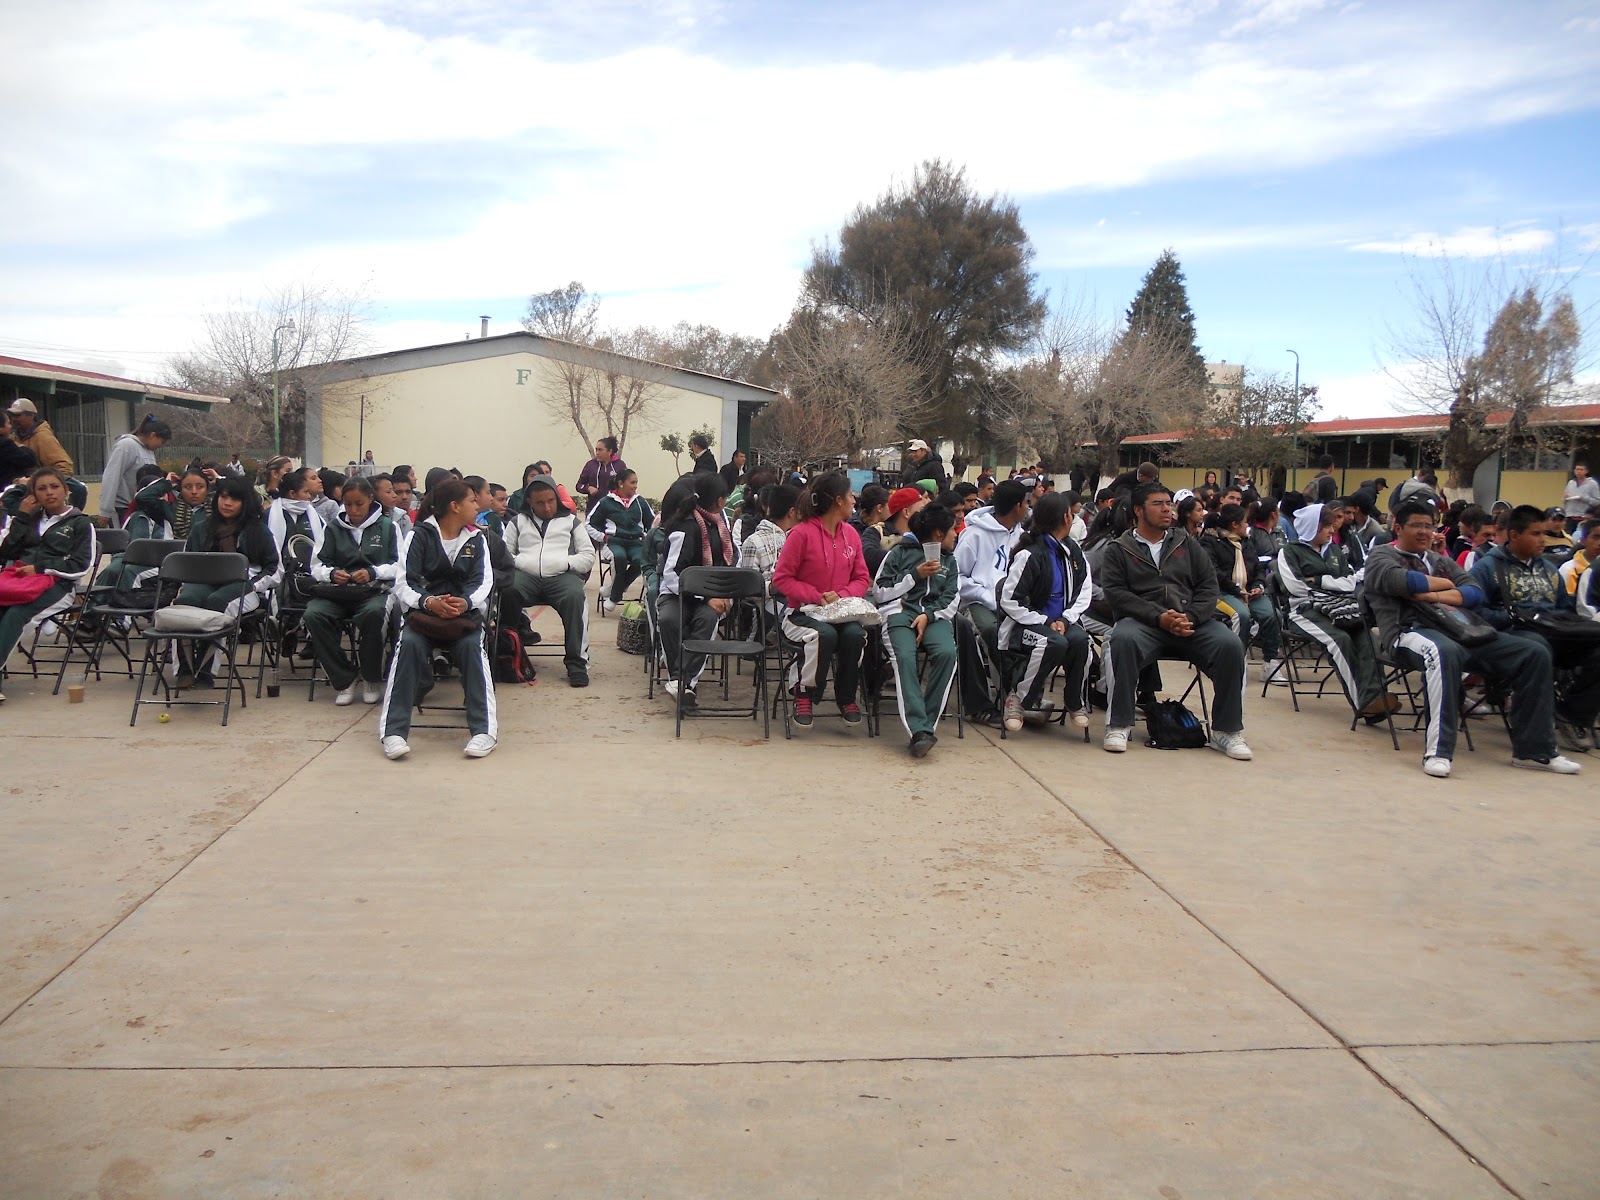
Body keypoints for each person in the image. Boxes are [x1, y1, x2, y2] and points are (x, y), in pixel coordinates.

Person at [1365, 500, 1580, 778]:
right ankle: (1438, 752)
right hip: (1407, 633)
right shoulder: (1381, 556)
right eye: (1416, 525)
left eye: (1429, 525)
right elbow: (1404, 583)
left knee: (1533, 652)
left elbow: (1475, 592)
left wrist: (1433, 594)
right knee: (1442, 652)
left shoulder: (1439, 560)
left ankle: (1535, 751)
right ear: (1397, 527)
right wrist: (1449, 585)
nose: (1424, 531)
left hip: (1460, 630)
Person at [1099, 482, 1251, 760]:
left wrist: (1190, 617)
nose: (1167, 509)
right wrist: (1159, 617)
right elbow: (1117, 594)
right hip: (1144, 623)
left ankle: (1226, 731)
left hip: (1190, 622)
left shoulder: (1186, 543)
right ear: (1138, 510)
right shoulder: (1119, 549)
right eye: (1158, 504)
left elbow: (1208, 587)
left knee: (1230, 645)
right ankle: (1119, 724)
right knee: (1122, 639)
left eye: (1169, 503)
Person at [378, 477, 496, 760]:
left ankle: (484, 732)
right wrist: (429, 602)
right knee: (408, 646)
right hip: (423, 618)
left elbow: (484, 582)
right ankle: (393, 732)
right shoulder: (418, 536)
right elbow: (404, 582)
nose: (476, 504)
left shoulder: (477, 538)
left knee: (472, 650)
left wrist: (464, 602)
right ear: (455, 506)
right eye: (471, 500)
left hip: (462, 619)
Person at [1470, 505, 1600, 753]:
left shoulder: (1549, 569)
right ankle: (1532, 738)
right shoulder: (1487, 568)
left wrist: (1560, 623)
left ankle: (1571, 714)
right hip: (1512, 636)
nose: (1543, 540)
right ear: (1514, 535)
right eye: (1536, 534)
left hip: (1553, 634)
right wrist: (1513, 617)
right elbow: (1475, 613)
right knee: (1536, 647)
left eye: (1543, 533)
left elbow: (1564, 608)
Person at [772, 472, 872, 729]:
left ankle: (846, 697)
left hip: (840, 611)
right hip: (801, 613)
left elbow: (862, 579)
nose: (854, 501)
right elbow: (781, 580)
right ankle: (804, 692)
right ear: (838, 501)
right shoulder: (801, 534)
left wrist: (842, 595)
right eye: (851, 495)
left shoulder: (851, 535)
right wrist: (816, 596)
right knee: (823, 636)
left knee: (853, 634)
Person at [1276, 502, 1391, 721]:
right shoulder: (1289, 552)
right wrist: (1334, 582)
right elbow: (1296, 587)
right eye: (1326, 526)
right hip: (1304, 610)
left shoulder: (1334, 550)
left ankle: (1378, 697)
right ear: (1312, 527)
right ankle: (1364, 704)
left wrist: (1319, 580)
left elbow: (1352, 580)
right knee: (1339, 640)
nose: (1332, 530)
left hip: (1340, 608)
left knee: (1367, 637)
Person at [996, 491, 1092, 732]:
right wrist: (1046, 620)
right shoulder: (1030, 553)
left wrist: (1065, 619)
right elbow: (1009, 600)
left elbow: (1084, 590)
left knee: (1081, 641)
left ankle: (1074, 702)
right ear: (1066, 518)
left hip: (1063, 624)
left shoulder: (1074, 551)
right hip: (1026, 626)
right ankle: (1017, 698)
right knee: (1054, 644)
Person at [175, 474, 281, 688]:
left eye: (234, 499)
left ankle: (205, 671)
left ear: (245, 503)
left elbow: (275, 570)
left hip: (246, 586)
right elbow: (188, 563)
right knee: (184, 604)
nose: (227, 503)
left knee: (217, 604)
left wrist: (255, 585)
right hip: (204, 582)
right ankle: (185, 669)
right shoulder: (202, 528)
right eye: (223, 497)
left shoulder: (258, 531)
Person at [303, 475, 400, 706]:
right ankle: (345, 677)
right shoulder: (333, 528)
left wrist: (374, 572)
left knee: (374, 614)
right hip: (338, 592)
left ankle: (370, 677)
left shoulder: (389, 527)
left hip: (374, 592)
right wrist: (332, 573)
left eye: (360, 504)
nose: (354, 510)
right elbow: (316, 566)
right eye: (348, 504)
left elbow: (400, 566)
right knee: (313, 615)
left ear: (370, 499)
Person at [874, 503, 960, 757]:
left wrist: (929, 615)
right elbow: (880, 592)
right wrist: (914, 575)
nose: (956, 534)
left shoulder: (950, 560)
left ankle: (925, 727)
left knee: (947, 654)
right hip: (900, 614)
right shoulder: (900, 552)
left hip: (933, 617)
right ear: (937, 534)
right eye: (952, 530)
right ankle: (918, 730)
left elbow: (952, 597)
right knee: (905, 658)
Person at [0, 467, 97, 688]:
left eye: (55, 487)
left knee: (16, 614)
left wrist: (42, 568)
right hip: (20, 582)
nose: (49, 493)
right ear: (34, 494)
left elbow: (81, 565)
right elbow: (7, 553)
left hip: (59, 585)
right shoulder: (30, 519)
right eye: (41, 488)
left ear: (65, 490)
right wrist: (22, 517)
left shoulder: (80, 523)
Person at [657, 471, 740, 706]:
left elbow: (733, 561)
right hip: (676, 595)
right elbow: (671, 575)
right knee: (669, 620)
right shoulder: (685, 527)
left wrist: (723, 593)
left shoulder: (720, 527)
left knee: (706, 620)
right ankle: (680, 680)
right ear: (721, 501)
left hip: (712, 597)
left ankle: (683, 683)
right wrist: (705, 596)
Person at [504, 473, 595, 687]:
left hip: (562, 576)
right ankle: (508, 655)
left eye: (551, 501)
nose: (547, 507)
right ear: (529, 502)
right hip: (526, 576)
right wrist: (522, 562)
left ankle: (577, 664)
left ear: (557, 497)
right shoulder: (518, 522)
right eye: (540, 503)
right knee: (507, 590)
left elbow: (588, 556)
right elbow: (504, 554)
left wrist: (566, 563)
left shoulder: (571, 522)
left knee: (575, 597)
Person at [954, 480, 1029, 721]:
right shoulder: (974, 534)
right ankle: (1010, 695)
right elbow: (958, 577)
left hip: (1014, 603)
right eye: (1026, 502)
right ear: (1017, 506)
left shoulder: (1022, 536)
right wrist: (987, 597)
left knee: (1030, 634)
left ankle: (1022, 693)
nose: (1028, 507)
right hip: (977, 601)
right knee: (991, 630)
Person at [1204, 503, 1283, 685]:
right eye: (1244, 522)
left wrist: (1258, 585)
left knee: (1273, 615)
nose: (1247, 525)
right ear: (1234, 524)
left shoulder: (1246, 542)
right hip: (1223, 592)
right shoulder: (1210, 541)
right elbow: (1213, 572)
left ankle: (1270, 663)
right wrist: (1236, 589)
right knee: (1241, 615)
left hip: (1249, 592)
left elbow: (1258, 568)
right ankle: (1237, 662)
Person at [587, 467, 654, 613]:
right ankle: (616, 594)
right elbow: (589, 523)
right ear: (621, 483)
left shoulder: (640, 502)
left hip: (636, 542)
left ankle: (614, 593)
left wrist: (646, 537)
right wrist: (603, 537)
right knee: (619, 557)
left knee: (640, 560)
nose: (635, 486)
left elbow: (653, 523)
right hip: (614, 541)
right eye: (632, 482)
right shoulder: (606, 502)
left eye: (636, 482)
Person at [98, 415, 171, 523]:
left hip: (142, 508)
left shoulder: (149, 451)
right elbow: (112, 476)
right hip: (123, 508)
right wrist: (105, 510)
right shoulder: (126, 446)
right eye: (162, 442)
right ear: (153, 435)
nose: (161, 446)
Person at [739, 482, 800, 595]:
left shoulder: (798, 538)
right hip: (770, 603)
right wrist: (775, 587)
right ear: (792, 512)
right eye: (800, 510)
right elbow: (748, 588)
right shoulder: (754, 542)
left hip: (798, 598)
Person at [133, 465, 214, 543]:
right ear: (181, 490)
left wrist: (220, 481)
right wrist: (165, 483)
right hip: (176, 554)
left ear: (207, 489)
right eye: (188, 487)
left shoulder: (215, 509)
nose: (194, 492)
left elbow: (226, 495)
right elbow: (142, 498)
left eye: (200, 487)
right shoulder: (169, 509)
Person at [850, 483, 891, 575]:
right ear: (880, 508)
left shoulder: (889, 527)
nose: (891, 509)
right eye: (889, 505)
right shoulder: (854, 530)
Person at [576, 437, 626, 511]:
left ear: (609, 451)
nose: (597, 453)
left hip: (615, 509)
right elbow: (579, 485)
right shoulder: (590, 465)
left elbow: (626, 485)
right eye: (596, 449)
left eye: (600, 450)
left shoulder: (620, 465)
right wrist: (588, 488)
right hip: (594, 508)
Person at [1562, 464, 1600, 534]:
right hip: (1570, 515)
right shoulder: (1571, 483)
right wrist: (1565, 498)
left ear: (1586, 471)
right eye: (1577, 469)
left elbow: (1597, 501)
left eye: (1581, 470)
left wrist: (1583, 499)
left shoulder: (1592, 484)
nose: (1579, 472)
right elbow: (1564, 499)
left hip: (1583, 516)